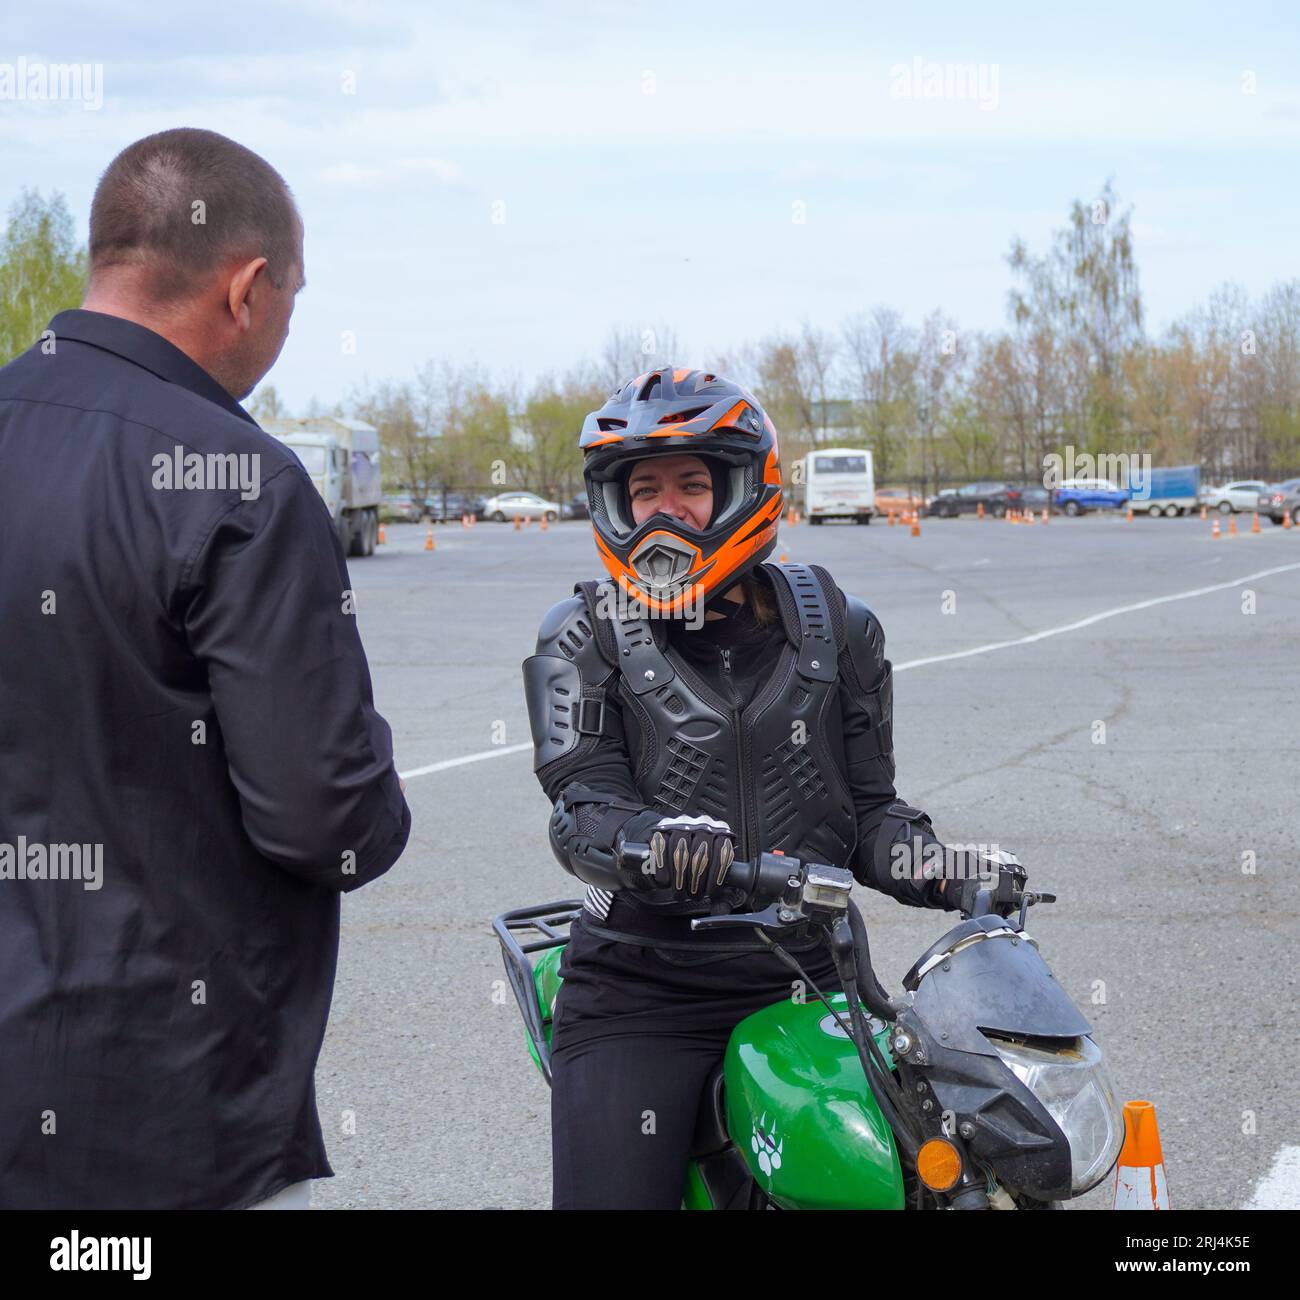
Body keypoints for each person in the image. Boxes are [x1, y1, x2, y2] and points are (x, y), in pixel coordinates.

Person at [0, 128, 410, 1209]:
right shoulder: (236, 483)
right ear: (248, 287)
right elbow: (327, 817)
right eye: (294, 295)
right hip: (163, 1105)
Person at [523, 366, 1023, 1210]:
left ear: (746, 489)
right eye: (644, 490)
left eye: (691, 484)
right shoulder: (584, 635)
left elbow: (869, 815)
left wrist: (950, 867)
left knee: (925, 1183)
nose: (664, 510)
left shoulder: (840, 626)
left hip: (813, 974)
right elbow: (582, 812)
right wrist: (654, 844)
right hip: (646, 990)